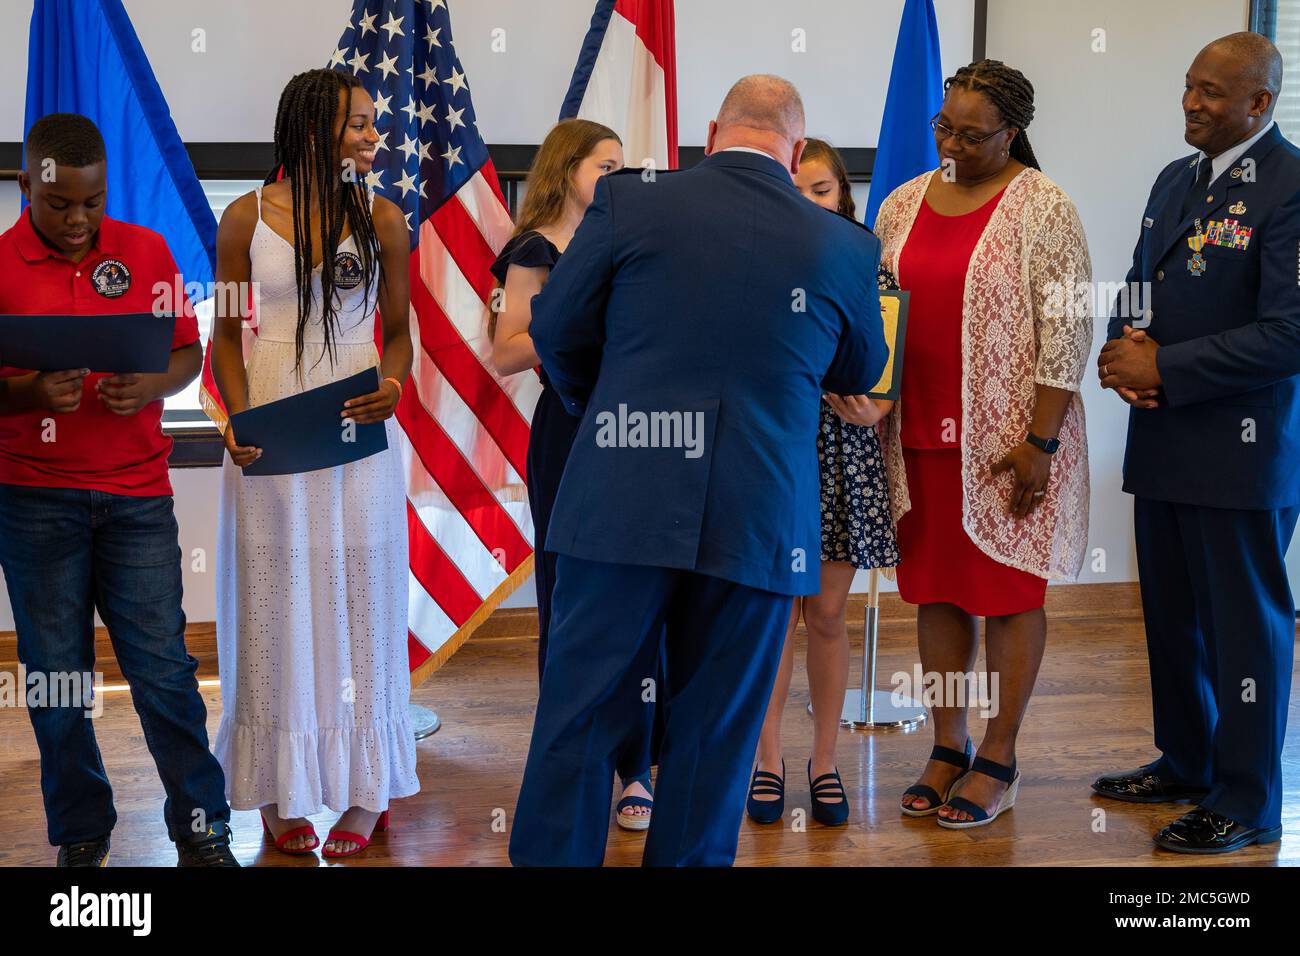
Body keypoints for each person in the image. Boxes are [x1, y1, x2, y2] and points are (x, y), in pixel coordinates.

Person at [508, 75, 888, 866]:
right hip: (760, 519)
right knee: (717, 732)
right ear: (796, 143)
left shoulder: (630, 203)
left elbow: (557, 331)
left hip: (619, 499)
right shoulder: (845, 245)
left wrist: (603, 413)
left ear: (713, 131)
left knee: (576, 717)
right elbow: (862, 364)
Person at [0, 113, 235, 866]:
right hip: (35, 499)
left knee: (164, 673)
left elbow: (186, 356)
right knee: (59, 681)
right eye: (59, 204)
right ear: (24, 184)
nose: (77, 220)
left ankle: (202, 830)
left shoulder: (147, 250)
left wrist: (153, 383)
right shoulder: (1, 264)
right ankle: (81, 832)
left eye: (92, 203)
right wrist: (31, 390)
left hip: (136, 497)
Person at [1093, 32, 1300, 854]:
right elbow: (1142, 279)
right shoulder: (1176, 179)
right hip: (1165, 437)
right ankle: (1187, 761)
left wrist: (1167, 367)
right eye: (1189, 87)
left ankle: (1247, 802)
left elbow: (1291, 333)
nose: (1192, 103)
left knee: (1246, 629)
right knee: (1173, 617)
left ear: (1260, 103)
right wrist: (1122, 353)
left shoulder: (1291, 186)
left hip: (1241, 452)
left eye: (1213, 93)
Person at [875, 60, 1092, 828]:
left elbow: (1068, 330)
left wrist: (1043, 440)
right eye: (945, 128)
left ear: (1013, 132)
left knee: (1006, 598)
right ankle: (947, 742)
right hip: (917, 434)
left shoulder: (1044, 206)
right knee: (936, 594)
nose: (955, 145)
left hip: (1007, 444)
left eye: (974, 135)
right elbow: (881, 308)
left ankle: (998, 754)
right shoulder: (901, 203)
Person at [210, 68, 416, 859]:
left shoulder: (383, 218)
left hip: (357, 442)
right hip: (270, 442)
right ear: (310, 127)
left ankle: (369, 793)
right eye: (358, 123)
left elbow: (398, 332)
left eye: (372, 122)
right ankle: (277, 791)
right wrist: (236, 416)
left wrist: (393, 383)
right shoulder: (241, 223)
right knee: (277, 608)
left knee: (363, 603)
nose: (372, 135)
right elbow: (228, 341)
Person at [490, 119, 660, 831]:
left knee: (643, 593)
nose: (619, 178)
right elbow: (504, 350)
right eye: (607, 165)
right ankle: (569, 758)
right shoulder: (534, 249)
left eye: (625, 167)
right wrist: (578, 324)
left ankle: (639, 766)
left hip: (640, 431)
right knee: (568, 597)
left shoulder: (630, 240)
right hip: (568, 428)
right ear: (566, 170)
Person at [747, 138, 899, 828]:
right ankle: (768, 760)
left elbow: (886, 385)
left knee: (829, 615)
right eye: (797, 188)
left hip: (843, 455)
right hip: (774, 450)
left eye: (822, 190)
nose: (810, 201)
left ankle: (826, 759)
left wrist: (875, 406)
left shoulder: (872, 266)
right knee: (775, 616)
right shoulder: (755, 263)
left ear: (843, 194)